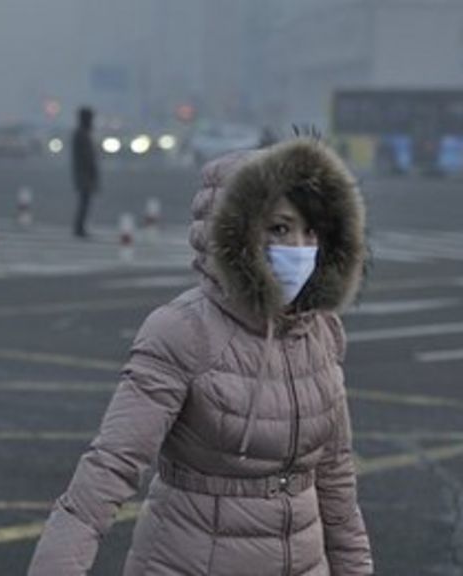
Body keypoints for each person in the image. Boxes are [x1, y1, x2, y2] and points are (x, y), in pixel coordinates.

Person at [28, 137, 373, 575]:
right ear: (239, 232)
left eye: (311, 231)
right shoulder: (183, 330)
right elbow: (109, 468)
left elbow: (336, 481)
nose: (299, 248)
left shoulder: (320, 332)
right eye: (280, 228)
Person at [71, 106, 99, 238]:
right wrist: (94, 173)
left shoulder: (81, 133)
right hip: (84, 174)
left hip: (82, 173)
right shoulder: (82, 134)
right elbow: (88, 157)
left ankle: (80, 227)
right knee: (84, 202)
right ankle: (79, 228)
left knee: (84, 202)